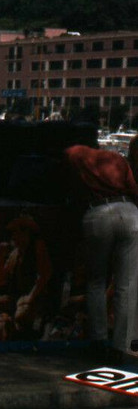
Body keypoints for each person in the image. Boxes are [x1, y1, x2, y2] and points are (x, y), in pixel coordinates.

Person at [65, 143, 138, 360]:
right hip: (130, 212)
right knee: (127, 285)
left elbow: (69, 186)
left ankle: (98, 340)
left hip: (98, 213)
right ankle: (121, 346)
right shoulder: (117, 160)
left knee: (96, 281)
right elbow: (134, 190)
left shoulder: (76, 154)